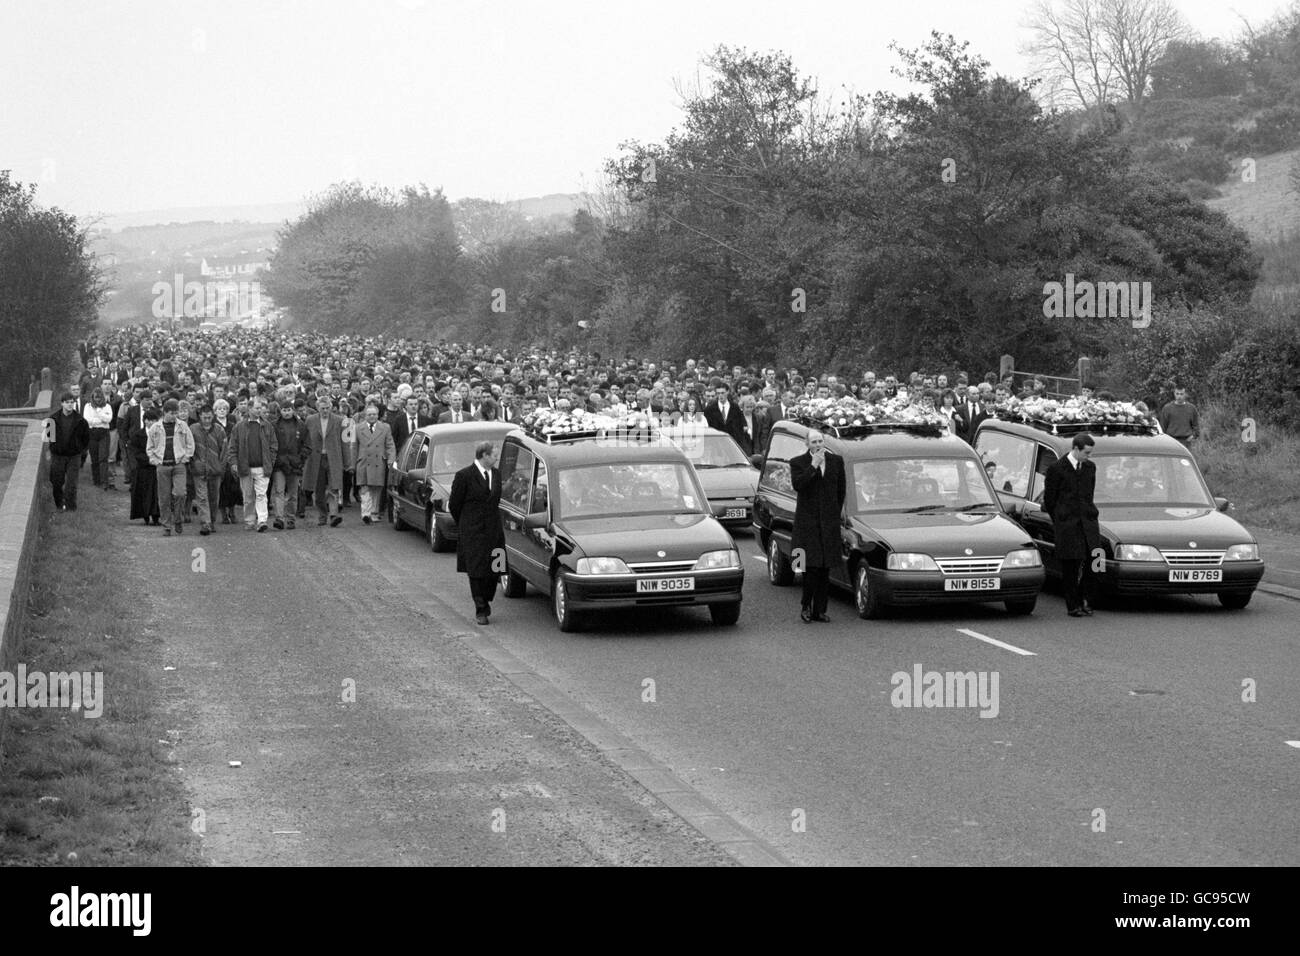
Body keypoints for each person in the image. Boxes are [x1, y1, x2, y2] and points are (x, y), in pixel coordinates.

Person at [789, 429, 846, 623]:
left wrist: (834, 515)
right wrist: (813, 466)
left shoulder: (836, 461)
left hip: (828, 524)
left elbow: (841, 491)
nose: (818, 445)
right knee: (809, 568)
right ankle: (806, 606)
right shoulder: (797, 462)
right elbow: (798, 485)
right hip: (807, 525)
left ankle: (819, 610)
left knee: (824, 569)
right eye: (814, 442)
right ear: (807, 444)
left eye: (820, 441)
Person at [1043, 432, 1100, 618]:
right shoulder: (1057, 469)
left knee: (1095, 562)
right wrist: (1060, 519)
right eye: (1087, 452)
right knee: (1071, 566)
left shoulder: (1090, 468)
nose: (1088, 456)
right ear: (1075, 449)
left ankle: (1086, 599)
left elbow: (1089, 494)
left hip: (1088, 522)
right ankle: (1072, 604)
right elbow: (1050, 500)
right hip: (1067, 524)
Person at [448, 440, 504, 625]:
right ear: (484, 456)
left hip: (494, 529)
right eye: (494, 455)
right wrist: (466, 523)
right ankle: (481, 608)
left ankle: (487, 598)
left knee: (496, 567)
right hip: (473, 531)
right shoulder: (464, 475)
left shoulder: (496, 474)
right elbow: (454, 505)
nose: (497, 458)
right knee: (476, 570)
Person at [225, 396, 277, 532]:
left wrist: (270, 461)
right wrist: (234, 463)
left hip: (262, 466)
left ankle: (262, 520)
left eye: (260, 408)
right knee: (248, 496)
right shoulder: (239, 427)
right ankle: (249, 520)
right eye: (257, 408)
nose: (259, 411)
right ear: (249, 409)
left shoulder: (267, 426)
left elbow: (273, 445)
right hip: (245, 467)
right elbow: (232, 447)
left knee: (261, 495)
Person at [147, 398, 195, 535]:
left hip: (178, 465)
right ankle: (167, 525)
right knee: (164, 497)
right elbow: (149, 447)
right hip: (162, 465)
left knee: (180, 493)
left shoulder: (182, 426)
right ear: (165, 412)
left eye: (176, 413)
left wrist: (186, 457)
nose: (175, 416)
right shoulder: (155, 427)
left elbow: (190, 443)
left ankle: (178, 518)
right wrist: (154, 460)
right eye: (172, 413)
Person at [303, 394, 346, 527]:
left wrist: (347, 462)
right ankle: (322, 515)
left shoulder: (339, 420)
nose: (325, 411)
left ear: (331, 408)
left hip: (333, 457)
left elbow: (344, 443)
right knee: (318, 489)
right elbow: (305, 440)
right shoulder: (310, 420)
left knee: (334, 487)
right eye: (323, 408)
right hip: (316, 458)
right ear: (317, 408)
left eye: (328, 408)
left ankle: (333, 515)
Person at [353, 403, 397, 524]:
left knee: (376, 488)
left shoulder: (385, 427)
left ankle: (374, 512)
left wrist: (391, 459)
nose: (372, 416)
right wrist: (352, 464)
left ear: (378, 415)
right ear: (365, 415)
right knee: (364, 487)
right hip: (363, 462)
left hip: (379, 462)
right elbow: (353, 447)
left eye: (374, 414)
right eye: (370, 414)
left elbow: (390, 445)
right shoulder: (357, 428)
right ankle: (366, 513)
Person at [271, 397, 309, 530]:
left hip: (295, 464)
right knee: (279, 491)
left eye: (288, 410)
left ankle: (291, 518)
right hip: (279, 464)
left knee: (293, 494)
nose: (286, 412)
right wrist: (275, 459)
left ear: (293, 411)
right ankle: (279, 518)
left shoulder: (301, 425)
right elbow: (271, 444)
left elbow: (307, 444)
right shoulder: (274, 425)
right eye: (284, 410)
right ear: (280, 411)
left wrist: (301, 459)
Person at [48, 392, 90, 511]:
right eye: (67, 403)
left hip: (74, 456)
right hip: (58, 455)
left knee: (71, 484)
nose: (70, 405)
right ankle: (59, 505)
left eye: (72, 402)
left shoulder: (81, 420)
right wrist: (53, 449)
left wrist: (81, 453)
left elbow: (86, 439)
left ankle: (71, 508)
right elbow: (47, 437)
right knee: (57, 482)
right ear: (62, 403)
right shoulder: (52, 419)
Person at [191, 404, 226, 535]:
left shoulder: (219, 430)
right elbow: (190, 448)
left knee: (213, 497)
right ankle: (205, 522)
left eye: (209, 417)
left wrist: (221, 466)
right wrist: (194, 463)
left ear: (213, 416)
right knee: (202, 497)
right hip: (199, 469)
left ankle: (211, 520)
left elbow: (224, 450)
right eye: (204, 417)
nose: (207, 420)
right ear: (200, 416)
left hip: (215, 469)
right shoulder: (193, 429)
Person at [129, 406, 162, 526]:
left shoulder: (160, 434)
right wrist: (148, 460)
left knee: (156, 493)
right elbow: (135, 451)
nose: (152, 423)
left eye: (154, 420)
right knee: (144, 493)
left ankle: (156, 516)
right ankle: (145, 515)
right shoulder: (137, 435)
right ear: (145, 421)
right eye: (150, 420)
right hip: (143, 469)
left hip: (157, 468)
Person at [83, 388, 114, 488]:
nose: (97, 400)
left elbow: (108, 419)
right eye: (95, 397)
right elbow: (87, 420)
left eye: (99, 397)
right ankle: (96, 480)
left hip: (104, 433)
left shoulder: (107, 406)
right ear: (92, 397)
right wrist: (101, 419)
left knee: (103, 457)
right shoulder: (88, 406)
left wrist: (99, 413)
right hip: (92, 433)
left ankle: (104, 481)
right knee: (94, 458)